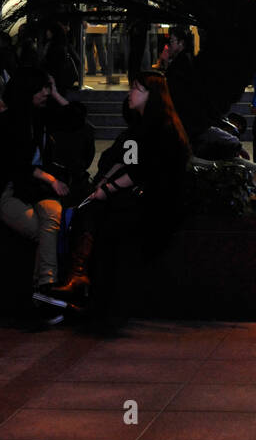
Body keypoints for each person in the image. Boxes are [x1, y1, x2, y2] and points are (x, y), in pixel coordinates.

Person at [36, 70, 190, 316]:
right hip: (142, 195)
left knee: (105, 220)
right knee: (91, 210)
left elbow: (143, 170)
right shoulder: (143, 125)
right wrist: (105, 182)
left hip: (158, 203)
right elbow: (127, 161)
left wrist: (107, 189)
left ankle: (88, 287)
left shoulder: (161, 127)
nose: (130, 93)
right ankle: (80, 280)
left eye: (136, 89)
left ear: (152, 95)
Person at [0, 68, 87, 322]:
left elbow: (76, 117)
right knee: (42, 229)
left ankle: (44, 290)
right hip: (11, 189)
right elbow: (16, 167)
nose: (46, 93)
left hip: (36, 191)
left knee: (54, 214)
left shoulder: (38, 115)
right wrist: (49, 178)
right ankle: (44, 290)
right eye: (42, 89)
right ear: (27, 92)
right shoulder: (8, 122)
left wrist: (58, 94)